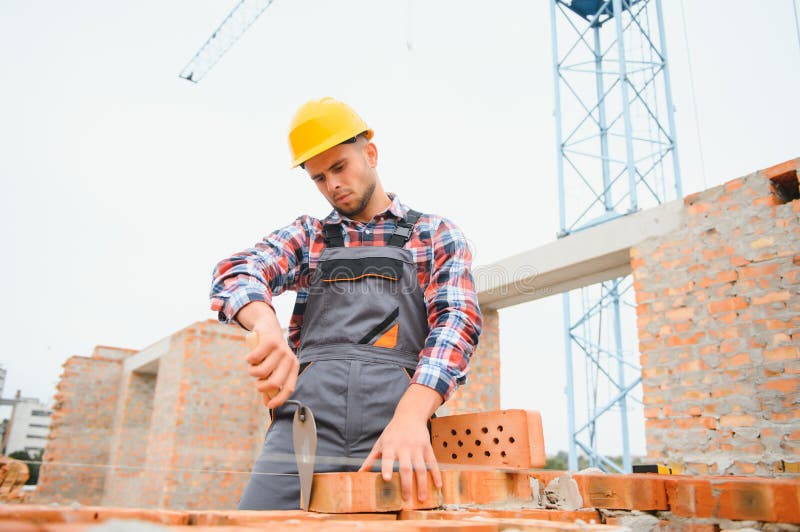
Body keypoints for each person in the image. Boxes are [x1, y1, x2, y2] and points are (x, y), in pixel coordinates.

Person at [210, 97, 482, 510]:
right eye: (319, 177)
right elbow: (238, 271)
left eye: (340, 167)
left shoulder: (432, 234)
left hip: (395, 434)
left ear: (370, 154)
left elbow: (456, 322)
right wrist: (265, 324)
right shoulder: (311, 237)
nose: (332, 184)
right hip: (304, 431)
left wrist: (412, 415)